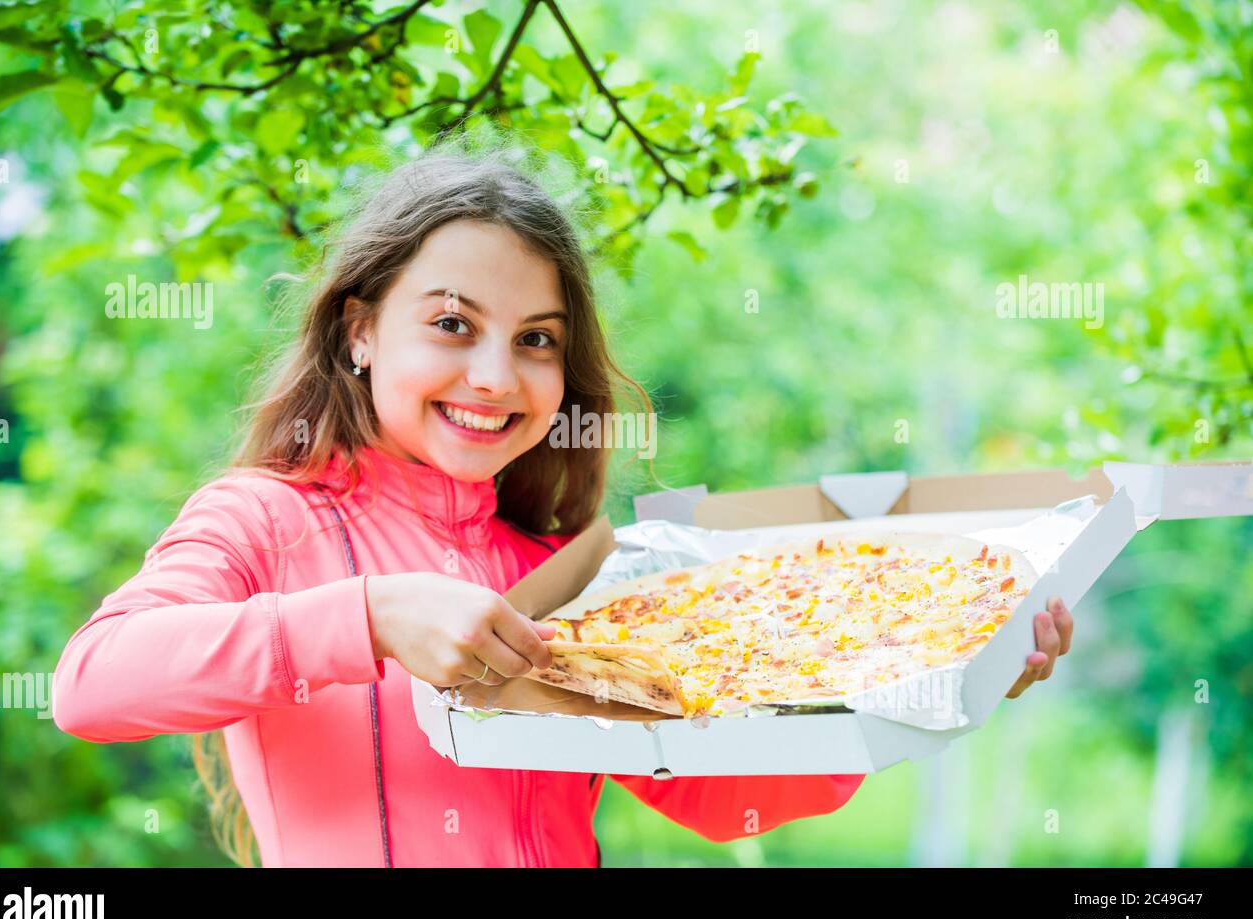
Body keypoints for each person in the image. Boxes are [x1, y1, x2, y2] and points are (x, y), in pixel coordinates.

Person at [52, 146, 1074, 867]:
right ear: (361, 331)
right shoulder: (264, 520)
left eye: (536, 339)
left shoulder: (560, 574)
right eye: (452, 323)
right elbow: (93, 686)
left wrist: (942, 677)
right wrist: (365, 620)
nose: (495, 375)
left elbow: (723, 797)